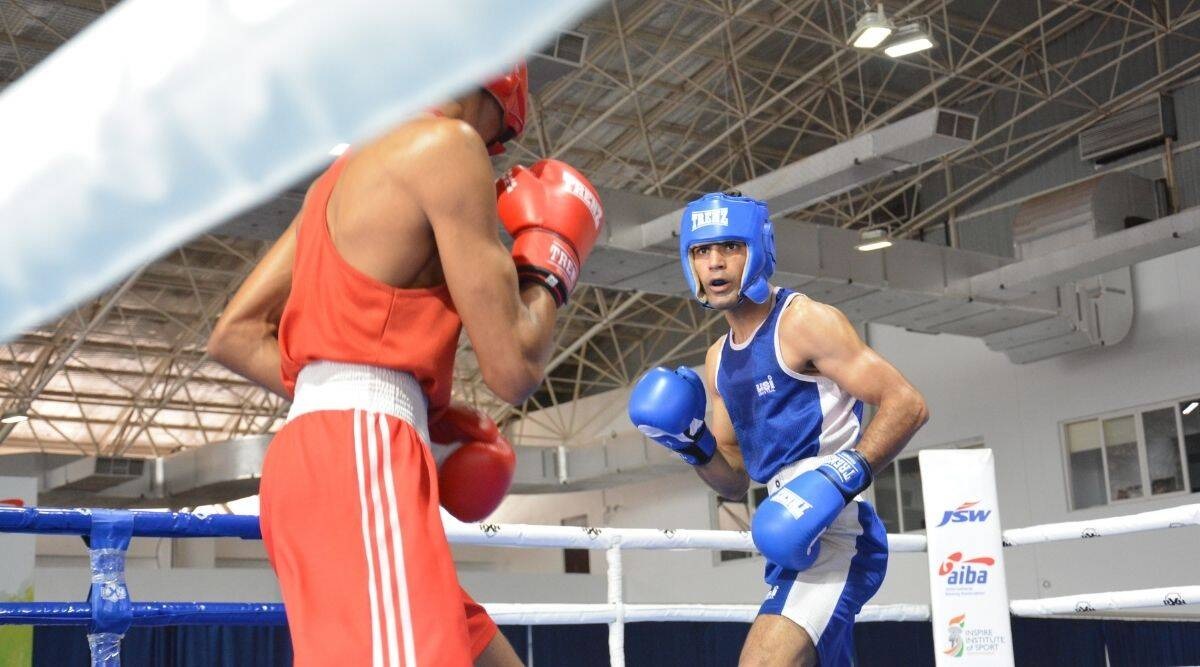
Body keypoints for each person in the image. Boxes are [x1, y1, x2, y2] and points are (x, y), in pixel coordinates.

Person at [208, 62, 605, 666]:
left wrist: (400, 397)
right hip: (359, 454)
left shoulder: (340, 179)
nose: (497, 154)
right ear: (499, 93)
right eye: (502, 140)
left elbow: (233, 336)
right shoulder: (451, 145)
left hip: (319, 456)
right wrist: (551, 268)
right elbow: (513, 368)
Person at [628, 191, 928, 666]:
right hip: (785, 530)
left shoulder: (803, 322)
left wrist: (839, 477)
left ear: (758, 248)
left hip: (838, 528)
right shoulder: (718, 360)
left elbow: (906, 404)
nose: (716, 263)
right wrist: (691, 444)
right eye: (701, 251)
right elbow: (734, 479)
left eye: (730, 246)